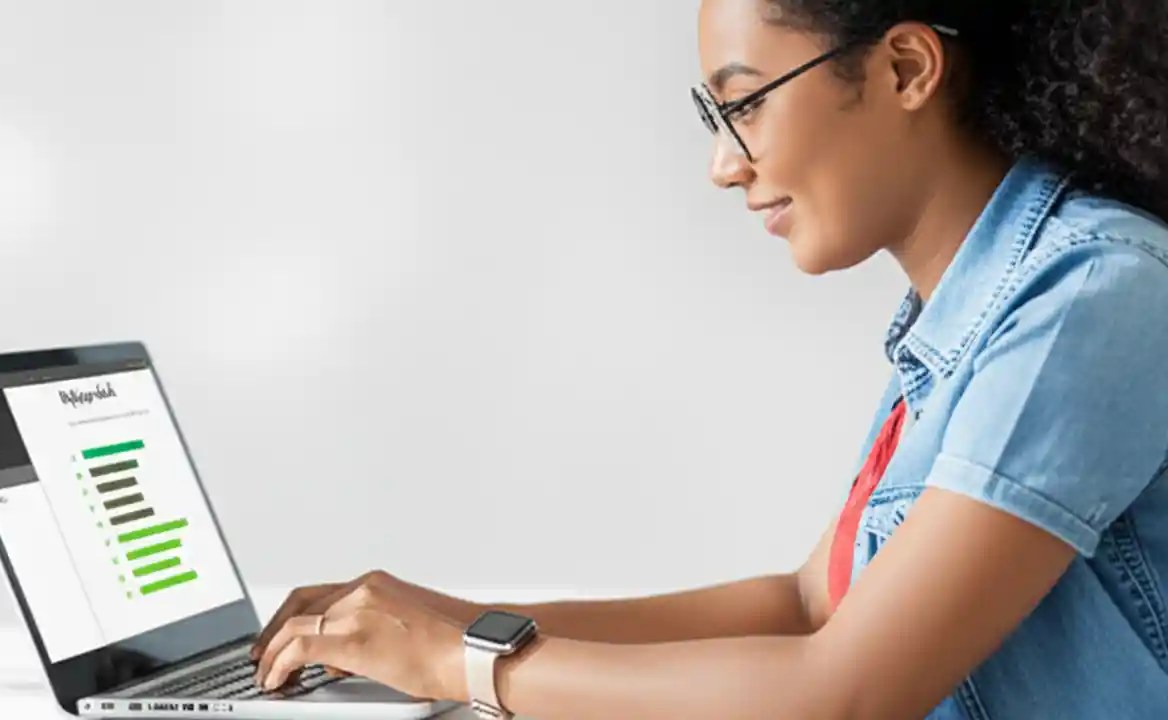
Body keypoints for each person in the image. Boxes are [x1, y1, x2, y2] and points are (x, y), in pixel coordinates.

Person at [252, 1, 1168, 717]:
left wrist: (462, 663)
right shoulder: (972, 312)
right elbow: (809, 604)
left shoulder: (1088, 296)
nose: (724, 164)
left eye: (747, 103)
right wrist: (451, 621)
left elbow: (838, 693)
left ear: (905, 68)